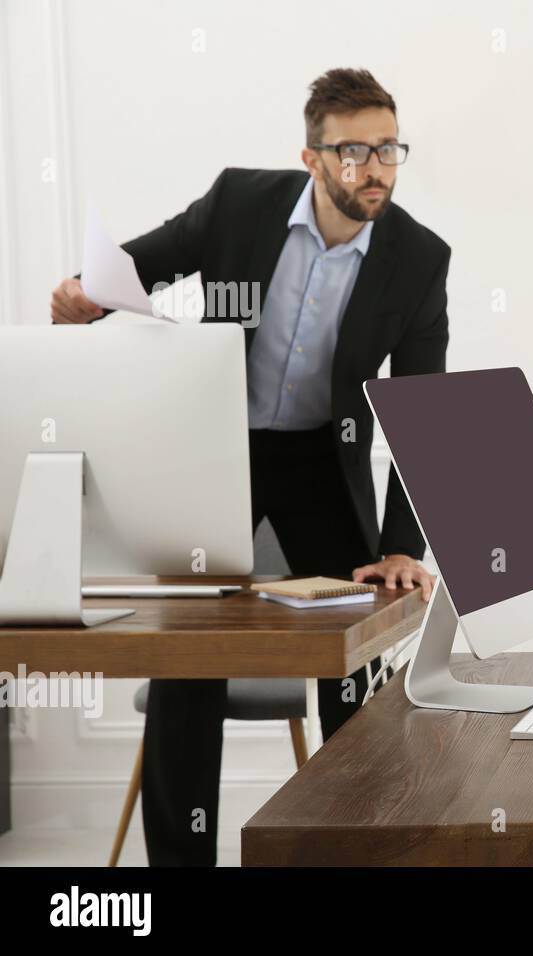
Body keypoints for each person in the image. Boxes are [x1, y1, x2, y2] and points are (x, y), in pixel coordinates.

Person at [50, 67, 446, 866]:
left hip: (319, 462)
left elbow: (425, 411)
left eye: (389, 149)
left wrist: (407, 545)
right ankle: (179, 864)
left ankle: (360, 847)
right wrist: (86, 293)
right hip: (220, 449)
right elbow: (139, 265)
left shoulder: (417, 257)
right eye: (353, 152)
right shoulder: (239, 203)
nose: (374, 168)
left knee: (355, 652)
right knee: (188, 654)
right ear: (311, 158)